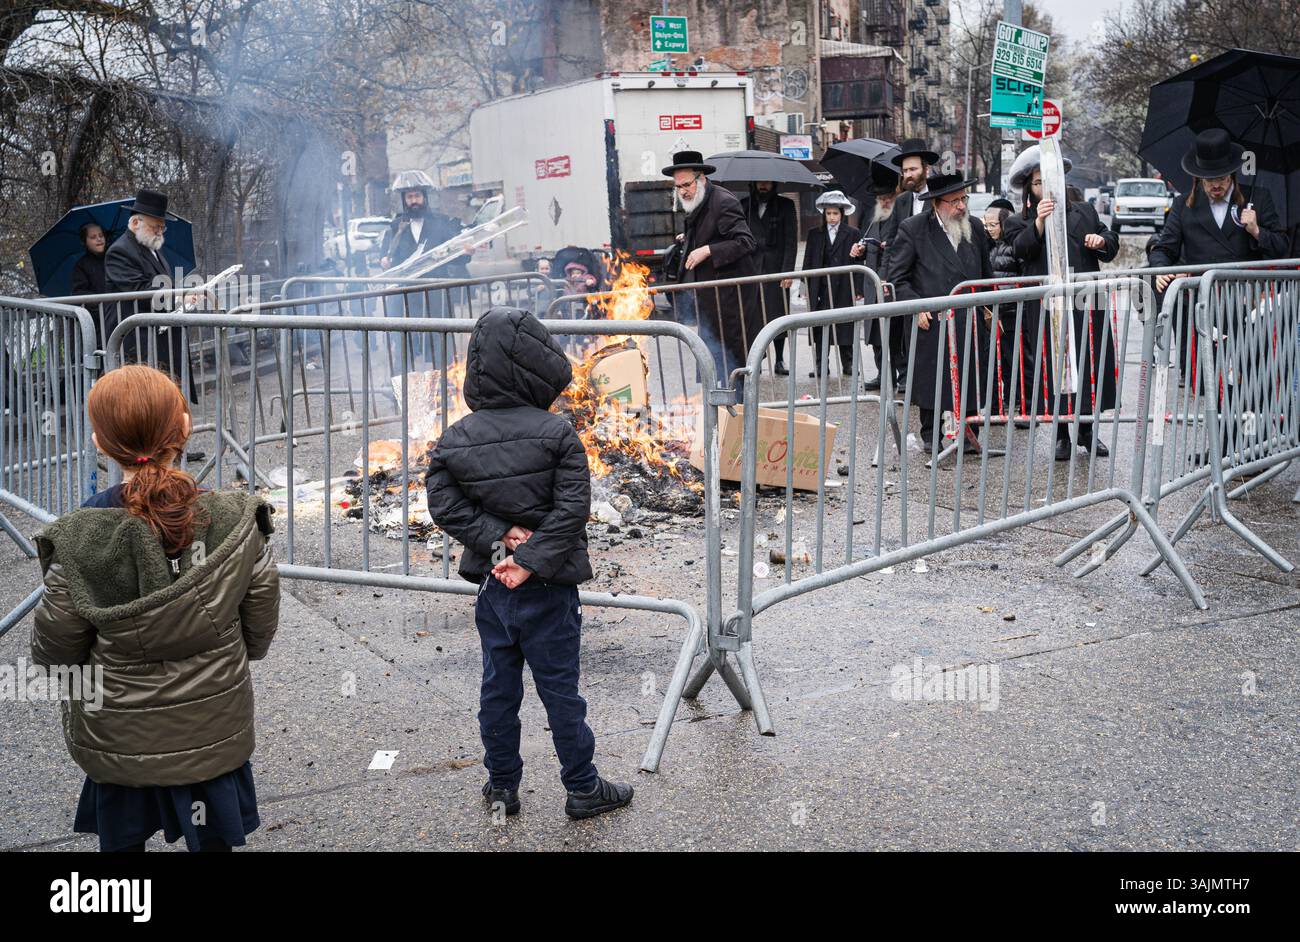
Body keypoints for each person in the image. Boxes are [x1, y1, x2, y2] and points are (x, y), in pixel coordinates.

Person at [30, 364, 279, 852]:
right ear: (185, 428)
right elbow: (260, 620)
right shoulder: (234, 518)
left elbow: (56, 647)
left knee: (122, 848)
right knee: (213, 841)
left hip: (119, 739)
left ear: (100, 442)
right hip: (211, 726)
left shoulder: (79, 536)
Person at [424, 307, 634, 820]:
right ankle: (582, 787)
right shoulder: (558, 433)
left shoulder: (456, 437)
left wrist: (499, 540)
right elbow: (571, 509)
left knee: (499, 687)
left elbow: (443, 504)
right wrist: (531, 560)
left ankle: (501, 788)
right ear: (535, 367)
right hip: (548, 583)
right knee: (561, 690)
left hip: (494, 581)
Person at [1147, 129, 1289, 379]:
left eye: (1221, 178)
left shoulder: (1258, 199)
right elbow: (1164, 248)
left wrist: (1257, 231)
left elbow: (1282, 247)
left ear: (1232, 173)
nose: (1216, 185)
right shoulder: (1183, 205)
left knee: (1246, 379)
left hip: (1245, 305)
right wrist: (1161, 270)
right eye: (1209, 179)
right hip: (1201, 304)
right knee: (1202, 379)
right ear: (1198, 176)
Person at [1009, 145, 1120, 460]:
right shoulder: (1021, 221)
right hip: (1047, 306)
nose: (1046, 187)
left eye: (1050, 179)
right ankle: (1060, 434)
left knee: (1087, 361)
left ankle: (1087, 430)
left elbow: (1110, 242)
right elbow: (1019, 250)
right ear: (1030, 189)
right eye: (1038, 182)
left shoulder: (1084, 211)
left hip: (1084, 301)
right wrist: (1040, 223)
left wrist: (1102, 243)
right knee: (1053, 366)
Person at [886, 172, 993, 454]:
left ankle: (969, 433)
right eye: (954, 200)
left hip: (968, 318)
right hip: (931, 319)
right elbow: (898, 277)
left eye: (963, 199)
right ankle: (932, 435)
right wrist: (916, 306)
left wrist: (989, 308)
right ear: (936, 203)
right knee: (933, 378)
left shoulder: (975, 228)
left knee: (970, 375)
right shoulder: (914, 228)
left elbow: (986, 274)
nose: (961, 206)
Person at [665, 150, 760, 381]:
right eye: (678, 187)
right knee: (712, 366)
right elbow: (712, 232)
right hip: (710, 300)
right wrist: (688, 241)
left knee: (730, 367)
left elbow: (745, 242)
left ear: (701, 178)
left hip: (730, 303)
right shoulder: (698, 201)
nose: (682, 191)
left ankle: (736, 413)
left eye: (686, 185)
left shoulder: (724, 202)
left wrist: (707, 250)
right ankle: (716, 414)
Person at [104, 188, 199, 408]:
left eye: (162, 227)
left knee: (164, 399)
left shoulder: (151, 247)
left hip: (158, 336)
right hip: (139, 340)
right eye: (155, 226)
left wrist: (183, 295)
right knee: (144, 402)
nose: (160, 232)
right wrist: (179, 297)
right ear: (135, 223)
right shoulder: (120, 251)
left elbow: (161, 285)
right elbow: (141, 290)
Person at [801, 190, 864, 380]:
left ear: (842, 214)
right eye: (828, 213)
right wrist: (805, 286)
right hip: (820, 286)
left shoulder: (853, 233)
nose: (831, 217)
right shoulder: (815, 234)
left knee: (845, 323)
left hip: (844, 285)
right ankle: (821, 365)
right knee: (819, 326)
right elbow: (808, 259)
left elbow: (859, 262)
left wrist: (859, 288)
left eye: (835, 213)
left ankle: (848, 363)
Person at [740, 181, 799, 375]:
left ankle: (780, 359)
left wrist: (788, 271)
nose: (763, 186)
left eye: (767, 183)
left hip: (777, 269)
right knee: (753, 315)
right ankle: (756, 358)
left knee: (777, 314)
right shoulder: (744, 205)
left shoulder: (786, 206)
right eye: (759, 183)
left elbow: (791, 241)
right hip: (751, 269)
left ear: (774, 184)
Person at [852, 172, 901, 390]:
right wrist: (858, 250)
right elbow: (866, 243)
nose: (884, 201)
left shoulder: (901, 216)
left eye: (888, 197)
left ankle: (903, 376)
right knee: (875, 333)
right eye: (880, 198)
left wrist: (888, 246)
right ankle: (883, 374)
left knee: (894, 333)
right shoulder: (873, 218)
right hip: (872, 283)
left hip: (891, 282)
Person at [884, 138, 941, 240]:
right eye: (905, 170)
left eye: (913, 169)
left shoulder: (940, 196)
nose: (908, 175)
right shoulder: (901, 201)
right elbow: (891, 240)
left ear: (926, 169)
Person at [69, 222, 109, 348]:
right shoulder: (81, 266)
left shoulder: (115, 258)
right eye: (93, 237)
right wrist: (105, 305)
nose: (99, 239)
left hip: (119, 320)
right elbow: (79, 294)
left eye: (101, 235)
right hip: (97, 326)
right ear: (84, 242)